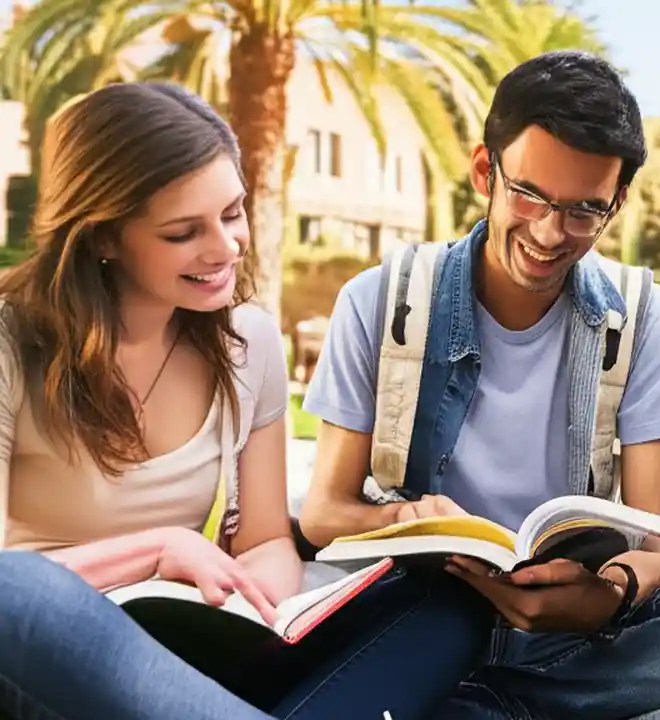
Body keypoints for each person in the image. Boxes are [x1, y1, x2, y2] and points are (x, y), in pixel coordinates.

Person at [298, 49, 660, 720]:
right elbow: (323, 515)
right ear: (486, 169)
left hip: (581, 633)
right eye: (530, 195)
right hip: (425, 620)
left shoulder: (644, 317)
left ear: (617, 203)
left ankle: (494, 709)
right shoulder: (383, 300)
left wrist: (608, 593)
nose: (549, 233)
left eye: (584, 210)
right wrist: (405, 517)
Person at [0, 82, 490, 720]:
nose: (228, 247)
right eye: (184, 232)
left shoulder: (247, 343)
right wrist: (154, 549)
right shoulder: (11, 343)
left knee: (447, 603)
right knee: (22, 591)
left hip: (195, 652)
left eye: (233, 213)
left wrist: (260, 609)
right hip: (49, 652)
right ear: (103, 238)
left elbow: (262, 538)